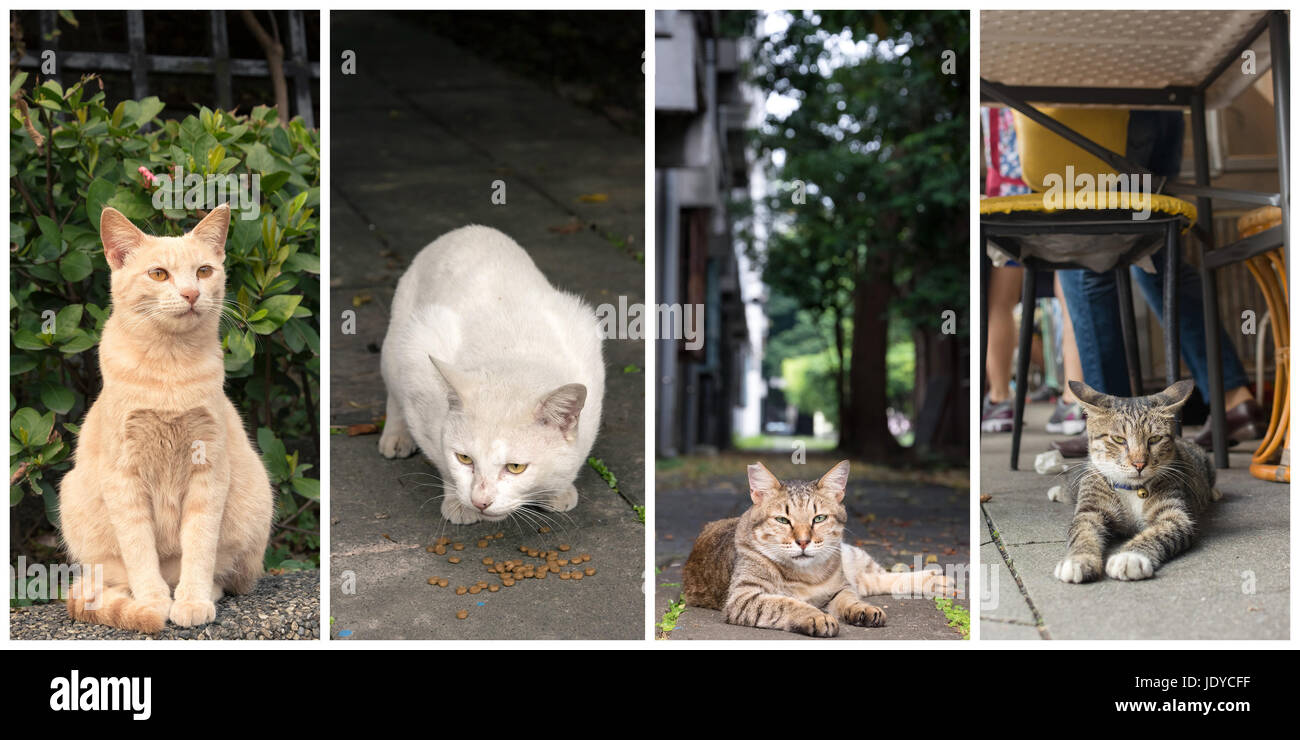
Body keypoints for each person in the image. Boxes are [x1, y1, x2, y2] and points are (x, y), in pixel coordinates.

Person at [1051, 110, 1264, 457]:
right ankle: (1233, 400)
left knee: (1087, 261)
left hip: (1093, 116)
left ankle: (1113, 428)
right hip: (1158, 109)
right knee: (1158, 261)